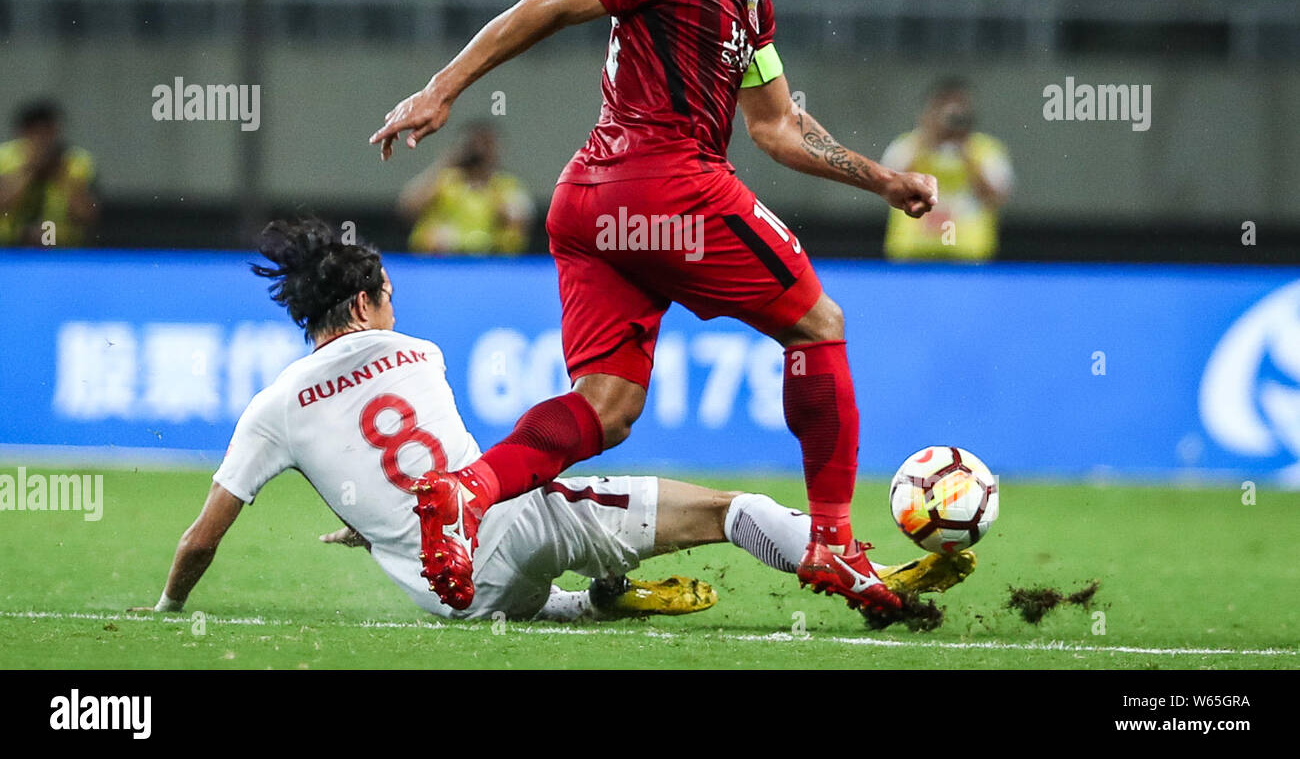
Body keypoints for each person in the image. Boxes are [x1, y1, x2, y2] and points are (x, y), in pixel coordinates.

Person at [369, 0, 939, 619]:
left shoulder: (751, 10)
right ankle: (832, 540)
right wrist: (442, 89)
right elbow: (549, 4)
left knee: (606, 408)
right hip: (664, 182)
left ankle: (464, 493)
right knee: (820, 324)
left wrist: (884, 181)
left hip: (593, 206)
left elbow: (776, 129)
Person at [133, 218, 973, 624]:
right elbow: (423, 448)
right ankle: (853, 567)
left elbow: (203, 539)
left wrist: (170, 607)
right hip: (502, 524)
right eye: (387, 294)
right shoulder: (419, 352)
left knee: (519, 599)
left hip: (448, 596)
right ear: (363, 302)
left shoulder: (271, 406)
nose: (398, 305)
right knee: (721, 512)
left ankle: (604, 604)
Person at [881, 78, 1013, 262]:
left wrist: (966, 151)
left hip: (968, 253)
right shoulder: (907, 146)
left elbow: (995, 197)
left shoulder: (985, 151)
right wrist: (927, 140)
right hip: (912, 253)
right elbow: (889, 186)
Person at [397, 121, 534, 254]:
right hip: (442, 261)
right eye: (474, 144)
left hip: (490, 262)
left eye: (487, 145)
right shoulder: (445, 180)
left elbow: (520, 221)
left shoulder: (505, 187)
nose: (481, 151)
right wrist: (446, 162)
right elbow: (408, 208)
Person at [0, 100, 98, 246]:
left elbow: (88, 216)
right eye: (36, 133)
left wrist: (60, 174)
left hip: (60, 249)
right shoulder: (4, 158)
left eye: (48, 133)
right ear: (22, 133)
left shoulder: (76, 162)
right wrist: (29, 170)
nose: (42, 141)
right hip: (8, 248)